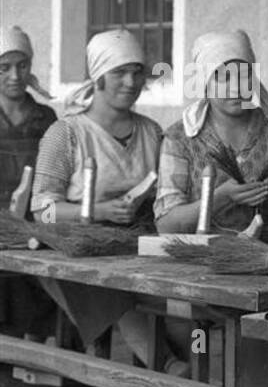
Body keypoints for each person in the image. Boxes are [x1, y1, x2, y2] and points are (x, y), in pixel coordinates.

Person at [30, 29, 174, 368]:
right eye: (119, 73)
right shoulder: (66, 134)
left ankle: (178, 380)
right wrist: (96, 210)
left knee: (186, 307)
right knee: (108, 289)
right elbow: (42, 211)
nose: (130, 81)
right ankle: (167, 367)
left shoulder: (152, 133)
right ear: (98, 78)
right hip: (82, 251)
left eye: (137, 71)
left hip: (138, 245)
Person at [154, 30, 268, 234]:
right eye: (223, 79)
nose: (236, 88)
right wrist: (221, 197)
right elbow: (166, 224)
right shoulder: (180, 137)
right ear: (205, 83)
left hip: (266, 252)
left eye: (244, 76)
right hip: (200, 257)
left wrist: (265, 199)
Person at [0, 25, 58, 336]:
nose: (14, 75)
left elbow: (57, 177)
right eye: (4, 67)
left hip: (34, 223)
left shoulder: (45, 118)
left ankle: (47, 366)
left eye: (22, 65)